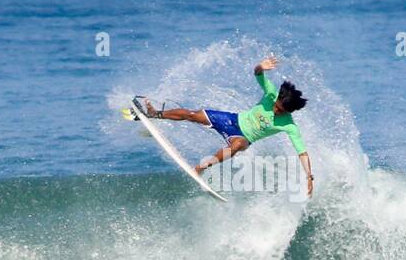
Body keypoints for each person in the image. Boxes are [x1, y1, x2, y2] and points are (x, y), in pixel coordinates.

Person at [135, 56, 314, 196]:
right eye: (277, 107)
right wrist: (261, 66)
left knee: (238, 145)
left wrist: (309, 176)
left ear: (290, 112)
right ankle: (155, 114)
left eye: (281, 111)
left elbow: (302, 152)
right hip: (231, 120)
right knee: (192, 115)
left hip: (243, 138)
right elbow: (258, 73)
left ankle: (200, 169)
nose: (276, 111)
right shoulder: (271, 93)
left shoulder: (289, 125)